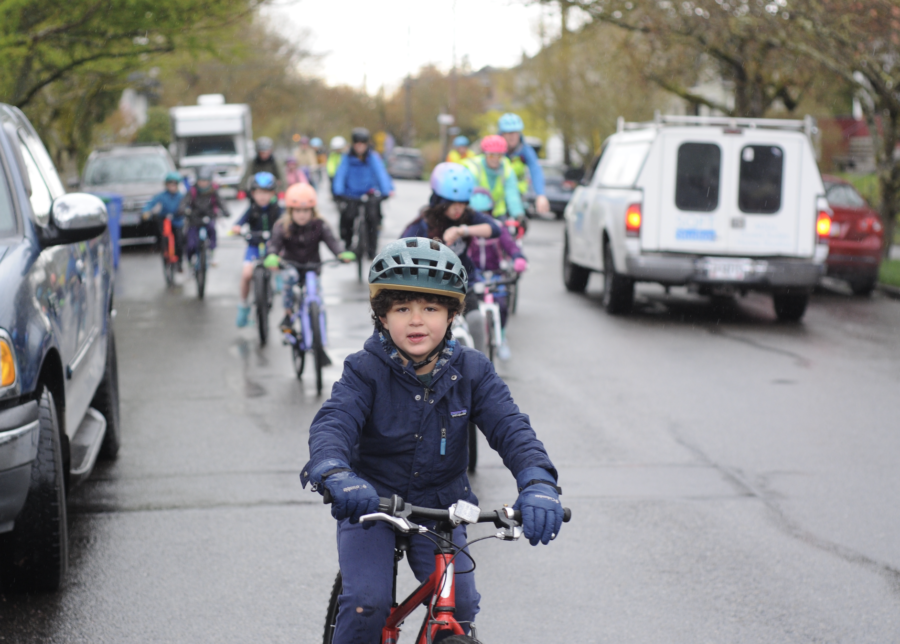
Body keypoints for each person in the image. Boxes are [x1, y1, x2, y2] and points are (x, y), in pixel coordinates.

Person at [300, 236, 565, 643]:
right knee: (366, 603)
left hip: (443, 506)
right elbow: (335, 422)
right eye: (402, 308)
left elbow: (512, 429)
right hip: (372, 502)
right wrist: (334, 470)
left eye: (431, 308)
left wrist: (538, 482)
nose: (417, 320)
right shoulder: (364, 369)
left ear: (452, 314)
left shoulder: (473, 370)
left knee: (458, 605)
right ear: (382, 316)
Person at [401, 163, 502, 355]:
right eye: (453, 204)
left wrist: (462, 230)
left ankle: (480, 370)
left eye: (463, 204)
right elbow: (400, 250)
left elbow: (495, 229)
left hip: (463, 284)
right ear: (440, 200)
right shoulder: (424, 223)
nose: (458, 209)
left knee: (476, 322)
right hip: (433, 287)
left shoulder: (467, 217)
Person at [263, 183, 354, 334]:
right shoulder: (282, 226)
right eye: (298, 211)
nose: (302, 215)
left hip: (313, 266)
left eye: (306, 210)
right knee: (289, 279)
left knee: (317, 294)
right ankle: (288, 314)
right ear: (290, 211)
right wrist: (272, 255)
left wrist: (340, 253)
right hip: (290, 265)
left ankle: (320, 333)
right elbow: (275, 243)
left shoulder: (319, 225)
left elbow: (332, 241)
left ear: (313, 210)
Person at [467, 188, 528, 360]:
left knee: (501, 305)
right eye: (477, 213)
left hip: (496, 274)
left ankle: (501, 335)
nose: (482, 216)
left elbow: (511, 246)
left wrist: (518, 258)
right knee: (472, 309)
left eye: (485, 212)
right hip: (475, 275)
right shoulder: (467, 231)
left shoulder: (498, 228)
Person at [231, 172, 281, 327]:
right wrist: (237, 227)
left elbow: (285, 221)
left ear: (273, 193)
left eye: (266, 193)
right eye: (259, 193)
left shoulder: (277, 209)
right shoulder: (251, 209)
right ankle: (243, 305)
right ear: (253, 193)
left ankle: (277, 283)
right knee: (246, 275)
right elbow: (239, 222)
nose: (263, 197)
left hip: (271, 247)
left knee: (276, 266)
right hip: (253, 246)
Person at [332, 127, 394, 249]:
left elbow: (381, 174)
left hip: (369, 193)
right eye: (357, 144)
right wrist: (338, 192)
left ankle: (372, 249)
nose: (360, 147)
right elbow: (340, 175)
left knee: (373, 218)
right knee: (347, 217)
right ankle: (347, 244)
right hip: (351, 194)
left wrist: (386, 191)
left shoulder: (373, 157)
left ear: (367, 144)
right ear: (353, 144)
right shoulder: (347, 158)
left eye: (362, 144)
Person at [497, 112, 550, 216]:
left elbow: (535, 170)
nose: (512, 136)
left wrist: (540, 195)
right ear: (502, 134)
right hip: (497, 195)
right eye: (508, 133)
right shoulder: (493, 150)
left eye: (515, 132)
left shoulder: (526, 150)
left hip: (517, 195)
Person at [462, 135, 525, 220]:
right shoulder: (474, 167)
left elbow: (512, 192)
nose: (495, 159)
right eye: (491, 155)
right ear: (485, 154)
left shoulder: (506, 167)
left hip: (498, 213)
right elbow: (470, 193)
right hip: (477, 211)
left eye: (499, 155)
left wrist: (518, 214)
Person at [181, 165, 227, 268]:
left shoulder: (213, 191)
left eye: (206, 180)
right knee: (190, 243)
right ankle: (189, 260)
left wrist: (226, 211)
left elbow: (221, 202)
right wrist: (182, 210)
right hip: (194, 219)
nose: (203, 183)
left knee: (212, 230)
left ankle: (212, 252)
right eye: (201, 180)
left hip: (209, 216)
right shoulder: (192, 191)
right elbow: (184, 202)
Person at [143, 171, 187, 271]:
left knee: (179, 241)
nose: (172, 187)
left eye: (174, 184)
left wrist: (185, 211)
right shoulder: (162, 195)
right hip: (164, 220)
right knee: (160, 234)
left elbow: (186, 205)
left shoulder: (181, 196)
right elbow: (151, 203)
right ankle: (163, 249)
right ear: (166, 185)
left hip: (177, 220)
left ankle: (179, 262)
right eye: (170, 184)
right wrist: (146, 211)